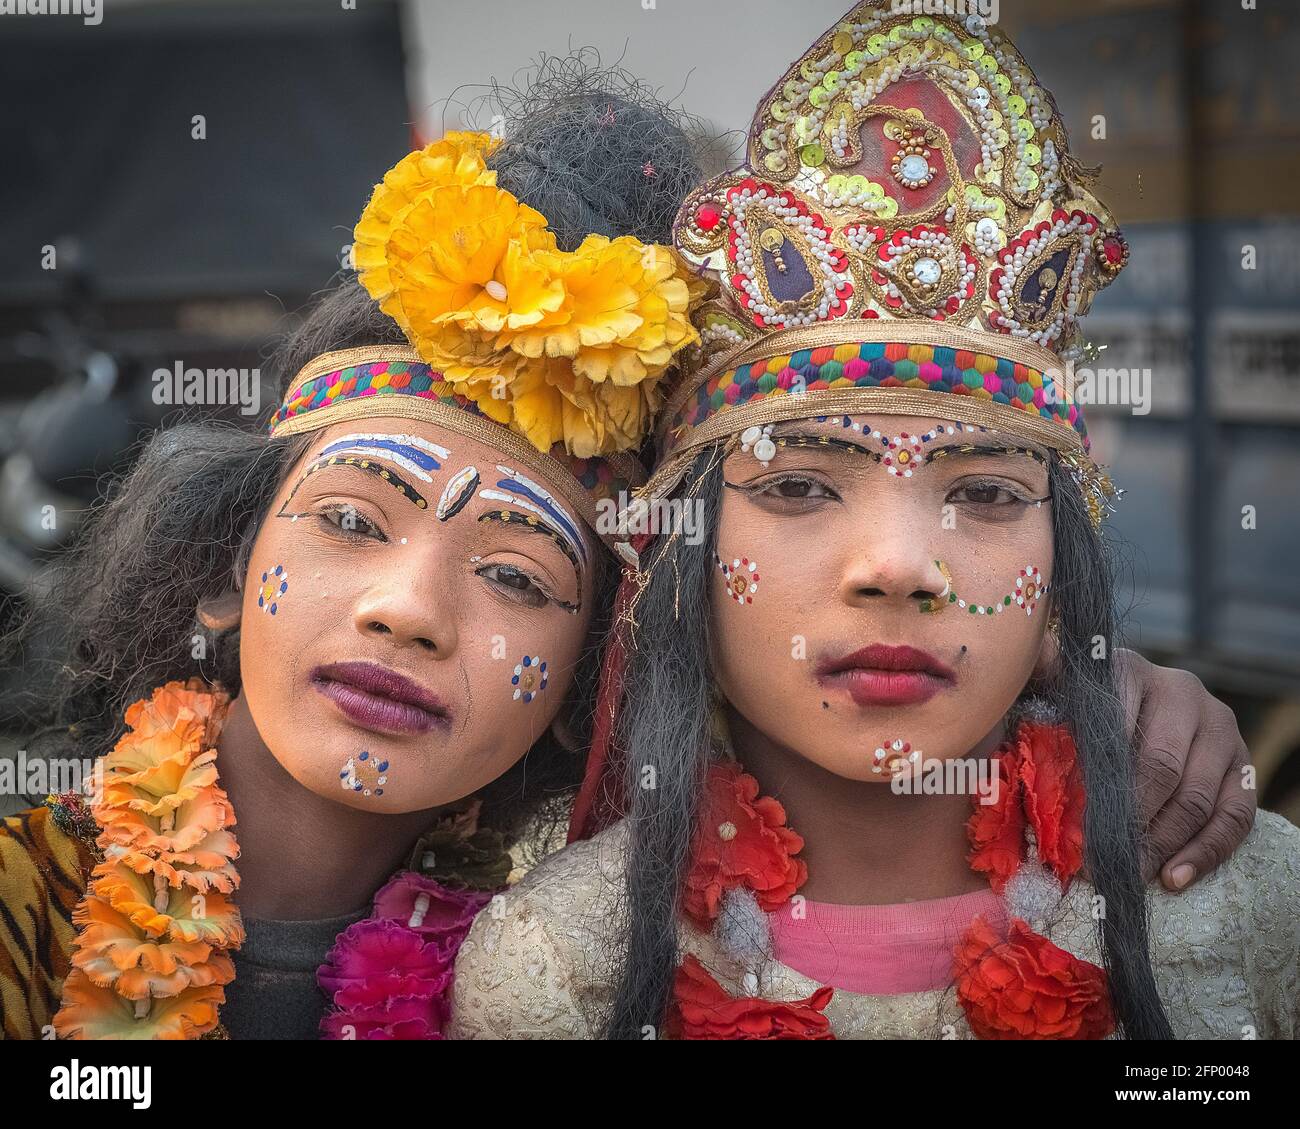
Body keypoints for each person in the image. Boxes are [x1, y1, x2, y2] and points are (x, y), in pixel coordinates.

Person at [448, 2, 1296, 1040]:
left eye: (984, 492)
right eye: (799, 486)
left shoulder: (1252, 906)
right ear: (678, 544)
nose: (899, 567)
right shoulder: (556, 967)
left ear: (1059, 556)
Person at [0, 65, 703, 1040]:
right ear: (224, 567)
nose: (408, 609)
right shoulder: (18, 913)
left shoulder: (561, 993)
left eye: (513, 574)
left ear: (585, 690)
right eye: (352, 521)